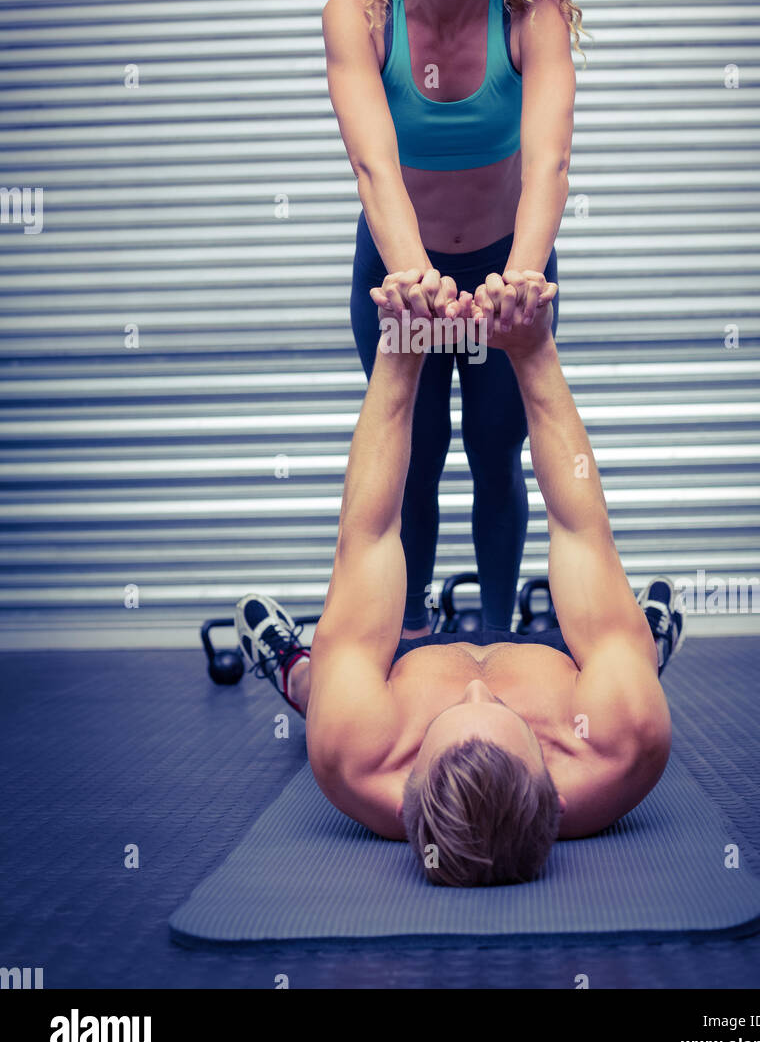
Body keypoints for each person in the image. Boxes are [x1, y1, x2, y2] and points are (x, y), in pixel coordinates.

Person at [235, 275, 686, 888]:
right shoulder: (621, 740)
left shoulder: (356, 754)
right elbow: (581, 533)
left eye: (455, 712)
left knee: (331, 692)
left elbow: (367, 536)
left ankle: (296, 670)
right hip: (556, 667)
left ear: (404, 792)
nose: (476, 689)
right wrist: (534, 352)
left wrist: (399, 354)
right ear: (552, 787)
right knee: (624, 657)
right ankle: (646, 644)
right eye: (498, 708)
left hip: (399, 681)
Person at [322, 0, 583, 637]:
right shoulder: (356, 15)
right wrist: (413, 281)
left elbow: (547, 161)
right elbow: (375, 166)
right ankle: (407, 641)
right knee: (412, 458)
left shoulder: (531, 12)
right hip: (400, 273)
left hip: (508, 262)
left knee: (498, 453)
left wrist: (523, 281)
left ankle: (499, 639)